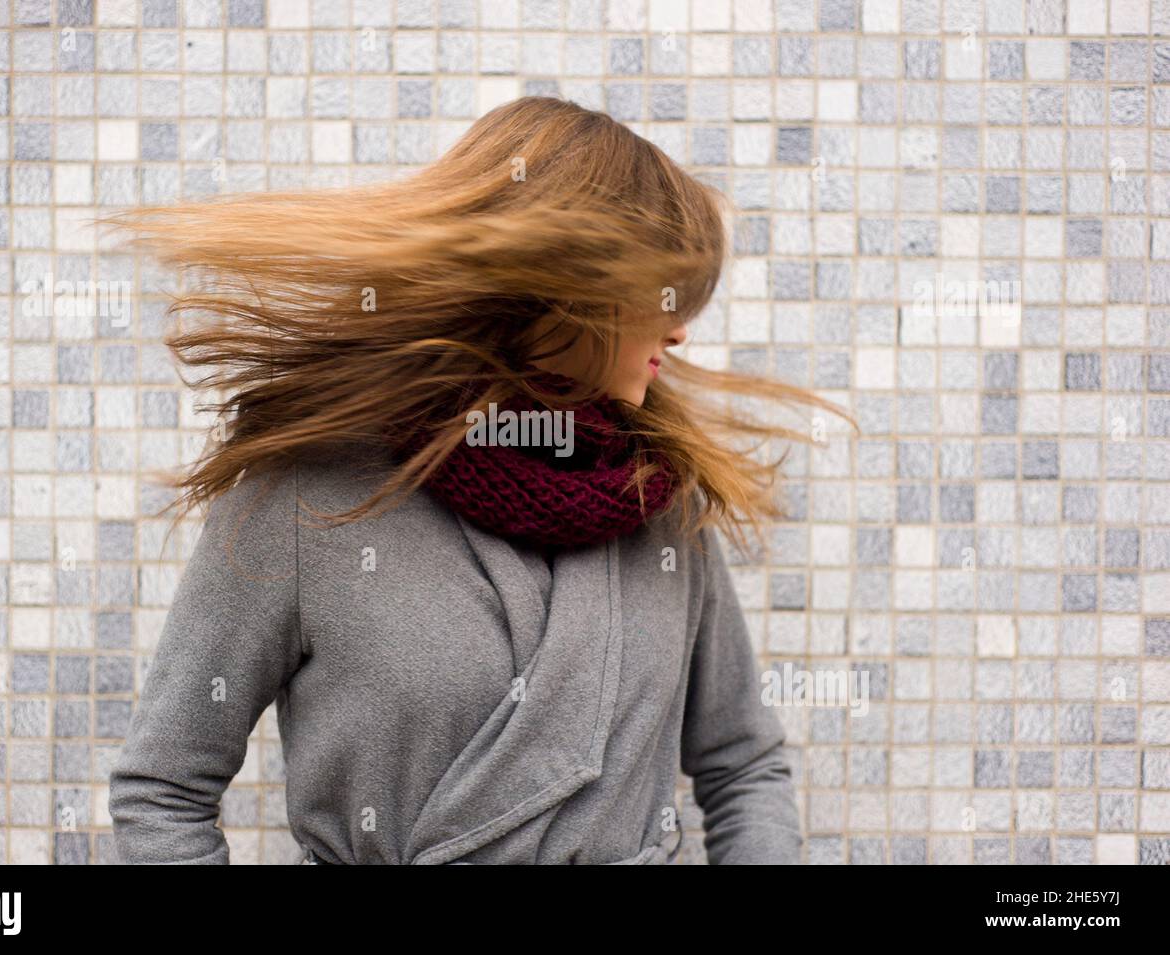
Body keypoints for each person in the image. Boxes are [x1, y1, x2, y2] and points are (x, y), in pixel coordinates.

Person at [102, 96, 856, 864]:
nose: (679, 326)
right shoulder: (308, 488)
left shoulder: (659, 499)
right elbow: (164, 789)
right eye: (654, 290)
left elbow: (744, 766)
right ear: (561, 290)